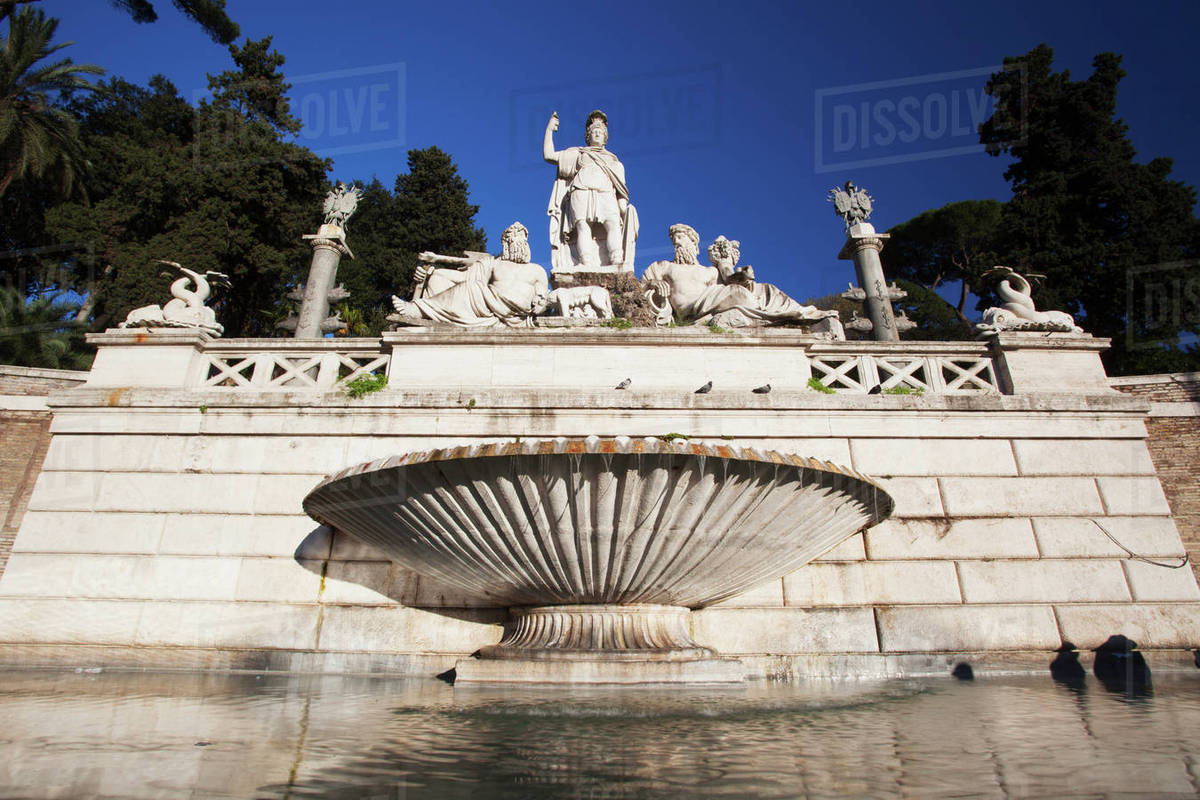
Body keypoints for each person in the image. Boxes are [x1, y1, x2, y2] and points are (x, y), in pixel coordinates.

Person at [642, 225, 835, 327]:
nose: (676, 242)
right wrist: (654, 284)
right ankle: (773, 312)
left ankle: (800, 312)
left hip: (711, 301)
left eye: (681, 237)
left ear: (694, 243)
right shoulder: (663, 266)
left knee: (765, 290)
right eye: (674, 239)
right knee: (738, 294)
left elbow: (731, 280)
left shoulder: (710, 271)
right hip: (687, 308)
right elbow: (639, 289)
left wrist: (738, 272)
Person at [390, 222, 549, 328]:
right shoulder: (493, 263)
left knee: (472, 288)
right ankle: (420, 310)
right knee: (446, 278)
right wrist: (434, 272)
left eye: (519, 236)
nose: (515, 240)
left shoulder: (537, 270)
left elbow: (545, 298)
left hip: (519, 312)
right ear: (504, 243)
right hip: (487, 304)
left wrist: (540, 306)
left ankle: (418, 310)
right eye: (511, 237)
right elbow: (465, 278)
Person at [544, 110, 638, 271]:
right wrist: (549, 130)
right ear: (588, 135)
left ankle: (616, 259)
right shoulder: (579, 154)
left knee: (613, 223)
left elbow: (621, 189)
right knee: (582, 225)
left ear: (605, 136)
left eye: (600, 132)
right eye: (594, 131)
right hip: (581, 189)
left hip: (606, 192)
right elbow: (549, 155)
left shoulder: (615, 162)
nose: (597, 134)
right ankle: (585, 262)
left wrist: (623, 206)